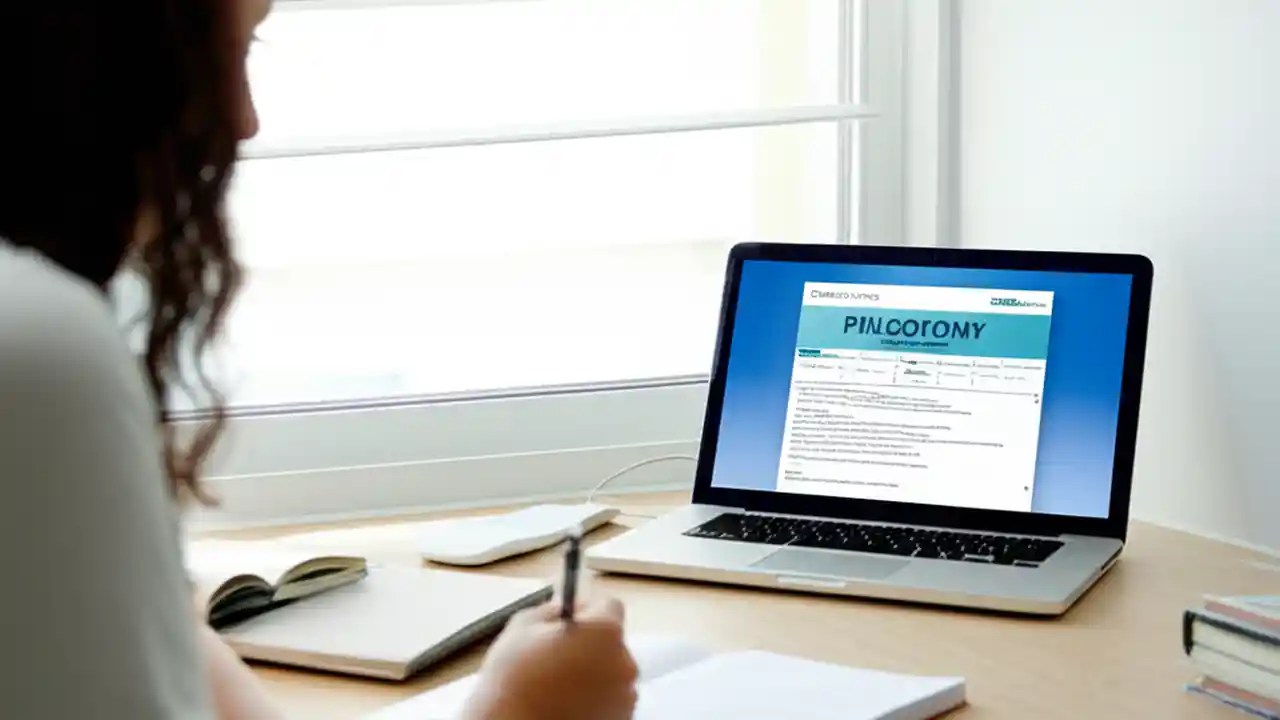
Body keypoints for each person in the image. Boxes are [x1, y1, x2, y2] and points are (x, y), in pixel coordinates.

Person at [0, 2, 638, 719]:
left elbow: (175, 657)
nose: (244, 120)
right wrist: (523, 710)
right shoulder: (35, 349)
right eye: (224, 52)